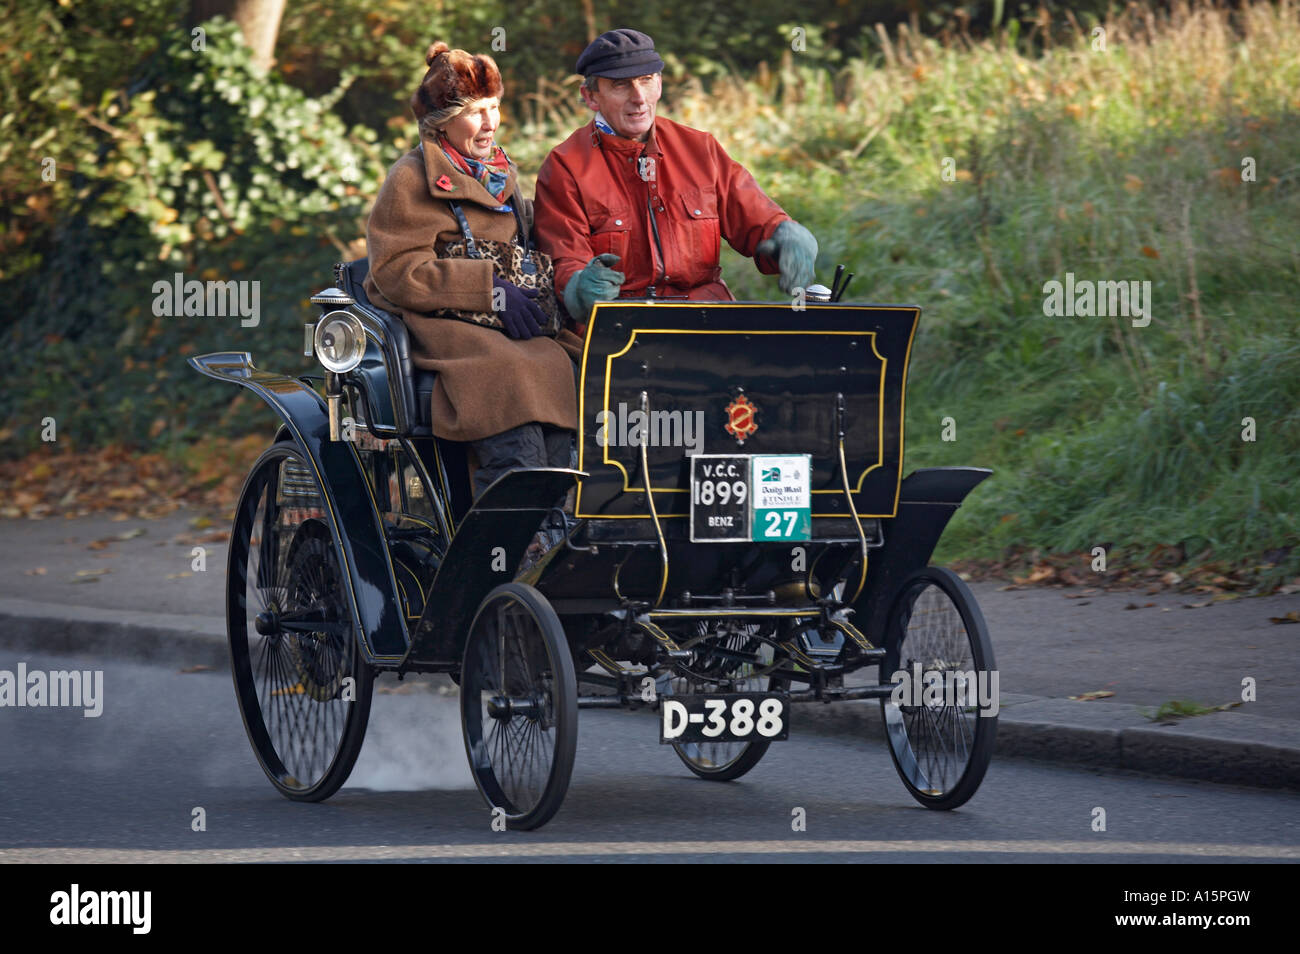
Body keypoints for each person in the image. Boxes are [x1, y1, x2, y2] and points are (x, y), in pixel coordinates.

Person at [363, 42, 584, 500]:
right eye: (475, 111)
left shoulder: (501, 173)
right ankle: (510, 530)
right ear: (443, 120)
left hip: (507, 320)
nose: (490, 122)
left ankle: (557, 523)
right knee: (505, 371)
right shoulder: (410, 178)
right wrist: (488, 289)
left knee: (558, 362)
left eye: (495, 107)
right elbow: (396, 270)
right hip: (444, 321)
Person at [533, 28, 820, 326]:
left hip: (710, 319)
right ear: (591, 96)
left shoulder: (700, 148)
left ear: (659, 84)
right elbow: (565, 259)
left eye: (646, 81)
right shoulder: (565, 166)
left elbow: (757, 216)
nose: (639, 98)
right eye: (621, 86)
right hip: (620, 327)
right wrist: (579, 288)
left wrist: (786, 235)